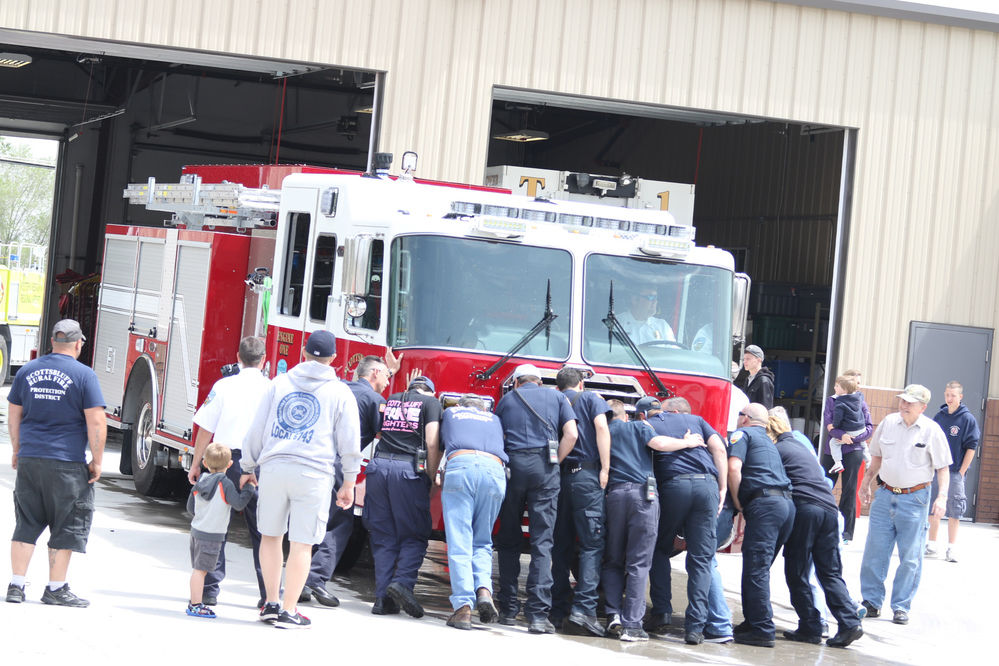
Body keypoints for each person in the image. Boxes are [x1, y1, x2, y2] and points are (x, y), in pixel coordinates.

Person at [241, 329, 362, 629]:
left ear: (304, 353)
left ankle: (270, 603)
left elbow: (257, 428)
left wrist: (247, 466)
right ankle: (289, 609)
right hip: (314, 473)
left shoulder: (279, 383)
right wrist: (349, 481)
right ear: (334, 358)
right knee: (302, 543)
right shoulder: (340, 392)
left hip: (274, 467)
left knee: (270, 536)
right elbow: (350, 441)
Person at [6, 319, 106, 607]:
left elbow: (14, 414)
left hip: (30, 459)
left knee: (26, 521)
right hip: (66, 463)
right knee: (66, 524)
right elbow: (96, 421)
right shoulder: (84, 376)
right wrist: (97, 461)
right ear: (77, 344)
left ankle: (16, 585)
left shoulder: (27, 370)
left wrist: (17, 449)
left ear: (52, 342)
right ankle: (56, 588)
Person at [602, 400, 707, 642]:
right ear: (630, 416)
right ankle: (633, 626)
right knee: (638, 563)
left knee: (613, 560)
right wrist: (688, 442)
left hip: (615, 496)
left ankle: (613, 615)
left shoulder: (605, 431)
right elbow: (659, 444)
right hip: (643, 497)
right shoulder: (639, 427)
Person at [765, 413, 864, 648]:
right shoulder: (799, 446)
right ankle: (849, 622)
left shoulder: (776, 451)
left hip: (807, 510)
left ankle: (810, 625)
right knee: (829, 572)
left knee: (797, 570)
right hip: (829, 509)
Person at [494, 364, 578, 634]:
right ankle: (538, 616)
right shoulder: (557, 397)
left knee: (508, 540)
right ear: (540, 382)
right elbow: (572, 434)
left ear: (517, 383)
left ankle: (507, 609)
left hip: (514, 468)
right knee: (543, 542)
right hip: (546, 469)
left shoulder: (507, 400)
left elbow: (498, 437)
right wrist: (555, 462)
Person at [302, 354, 392, 607]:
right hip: (339, 465)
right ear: (375, 373)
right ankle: (315, 580)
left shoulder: (337, 388)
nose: (387, 382)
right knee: (340, 523)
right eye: (387, 375)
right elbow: (386, 433)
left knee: (310, 519)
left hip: (312, 458)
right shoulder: (375, 400)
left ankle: (300, 579)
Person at [859, 384, 952, 625]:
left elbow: (943, 468)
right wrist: (866, 482)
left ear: (922, 407)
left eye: (910, 402)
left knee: (911, 556)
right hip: (885, 494)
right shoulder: (889, 423)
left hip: (916, 499)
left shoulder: (932, 431)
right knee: (875, 551)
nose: (904, 405)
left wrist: (942, 497)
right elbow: (877, 457)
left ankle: (901, 606)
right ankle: (871, 601)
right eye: (903, 400)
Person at [188, 335, 270, 607]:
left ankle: (210, 589)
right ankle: (267, 593)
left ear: (238, 358)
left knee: (215, 525)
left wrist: (197, 463)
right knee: (262, 530)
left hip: (225, 463)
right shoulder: (272, 389)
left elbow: (205, 427)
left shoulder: (223, 386)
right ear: (264, 360)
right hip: (259, 464)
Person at [640, 396, 728, 645]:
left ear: (670, 410)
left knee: (659, 548)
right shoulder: (699, 421)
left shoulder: (653, 421)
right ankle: (695, 628)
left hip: (673, 485)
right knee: (701, 558)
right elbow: (719, 449)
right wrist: (722, 488)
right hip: (707, 485)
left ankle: (662, 611)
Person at [363, 374, 442, 618]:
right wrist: (431, 475)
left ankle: (382, 599)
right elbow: (431, 442)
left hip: (378, 469)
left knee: (384, 536)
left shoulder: (393, 398)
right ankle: (402, 583)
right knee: (414, 534)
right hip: (407, 471)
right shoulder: (432, 403)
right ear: (430, 391)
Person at [728, 402, 795, 647]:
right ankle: (753, 621)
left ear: (745, 418)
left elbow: (734, 468)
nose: (737, 418)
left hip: (765, 505)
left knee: (756, 567)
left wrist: (737, 502)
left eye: (739, 414)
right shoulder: (769, 441)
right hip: (786, 506)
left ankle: (763, 629)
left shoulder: (742, 434)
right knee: (759, 567)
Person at [550, 366, 611, 636]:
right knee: (591, 545)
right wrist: (605, 468)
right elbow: (600, 427)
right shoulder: (592, 399)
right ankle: (584, 610)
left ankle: (557, 610)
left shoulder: (554, 401)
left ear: (558, 387)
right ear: (582, 385)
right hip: (587, 477)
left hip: (560, 478)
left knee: (559, 546)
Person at [438, 396, 507, 630]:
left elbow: (436, 443)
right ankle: (484, 591)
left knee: (460, 540)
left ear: (460, 406)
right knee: (482, 540)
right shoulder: (495, 419)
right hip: (495, 471)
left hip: (462, 465)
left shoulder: (451, 413)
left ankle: (463, 607)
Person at [186, 442, 256, 618]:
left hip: (196, 531)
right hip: (212, 535)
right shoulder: (225, 484)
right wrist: (249, 489)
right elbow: (238, 503)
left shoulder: (200, 480)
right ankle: (195, 605)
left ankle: (194, 602)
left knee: (197, 569)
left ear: (205, 463)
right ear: (230, 464)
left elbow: (190, 507)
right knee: (200, 571)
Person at [927, 381, 980, 563]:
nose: (949, 399)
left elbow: (971, 447)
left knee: (955, 510)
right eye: (947, 395)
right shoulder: (939, 417)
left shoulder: (967, 419)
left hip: (955, 472)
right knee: (933, 507)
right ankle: (931, 544)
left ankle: (952, 548)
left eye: (953, 396)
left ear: (960, 397)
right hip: (937, 470)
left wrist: (962, 471)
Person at [820, 368, 873, 544]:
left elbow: (869, 427)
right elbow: (828, 422)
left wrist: (853, 439)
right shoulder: (832, 401)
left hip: (853, 450)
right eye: (855, 383)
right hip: (833, 450)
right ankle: (820, 524)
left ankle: (846, 533)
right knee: (824, 485)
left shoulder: (861, 402)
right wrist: (841, 435)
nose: (858, 387)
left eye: (859, 384)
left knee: (849, 492)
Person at [827, 375, 870, 474]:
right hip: (861, 428)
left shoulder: (839, 402)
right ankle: (868, 460)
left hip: (850, 430)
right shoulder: (859, 397)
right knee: (863, 444)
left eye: (837, 386)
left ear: (844, 389)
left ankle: (838, 463)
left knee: (833, 443)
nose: (834, 388)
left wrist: (835, 426)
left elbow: (838, 418)